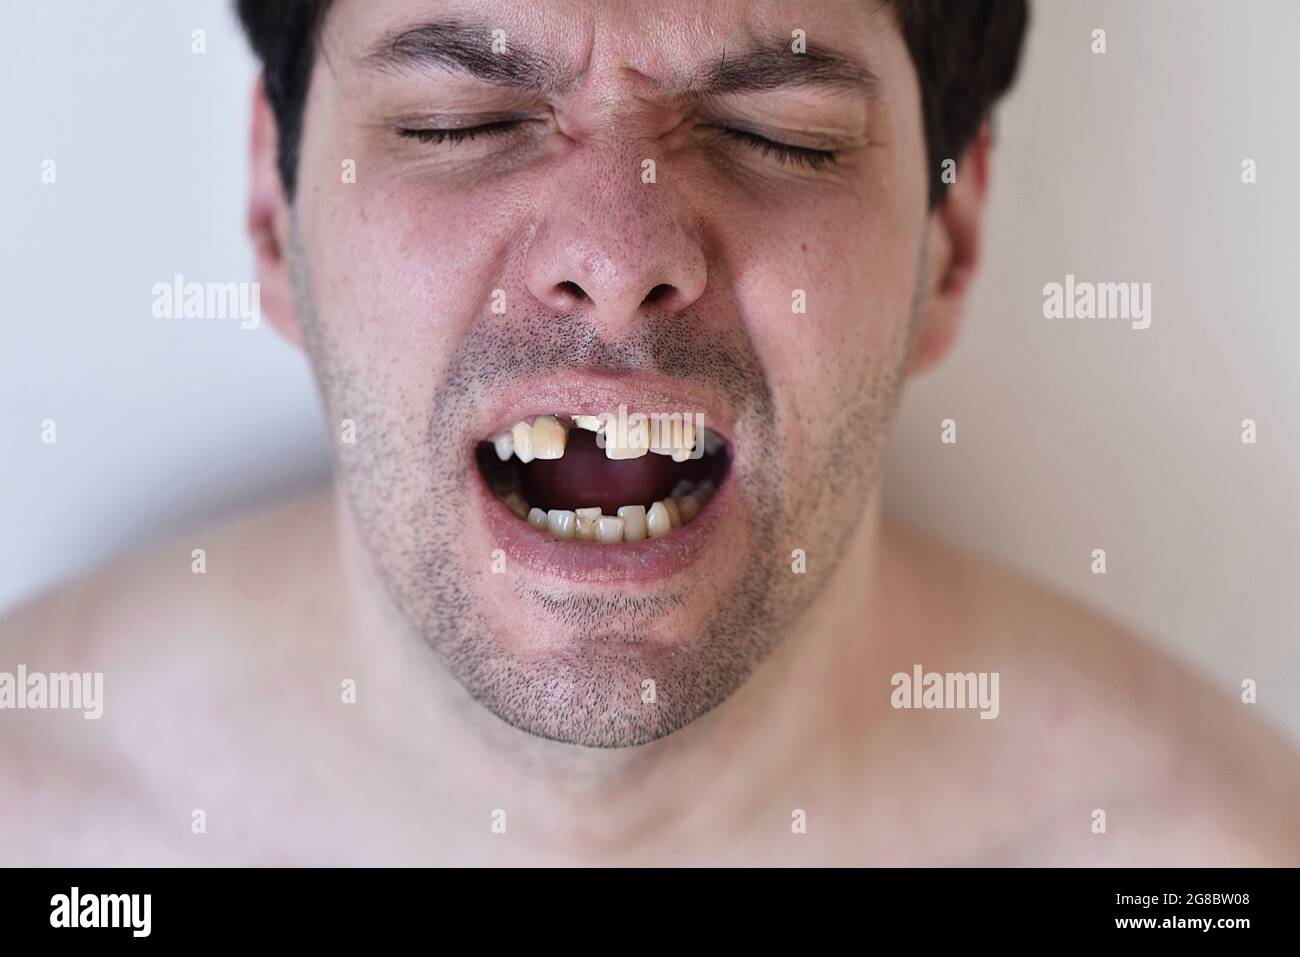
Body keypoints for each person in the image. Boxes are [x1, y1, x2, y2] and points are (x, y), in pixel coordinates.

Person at [3, 0, 1297, 866]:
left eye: (770, 133)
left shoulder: (1207, 860)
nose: (616, 257)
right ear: (275, 214)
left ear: (947, 244)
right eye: (461, 122)